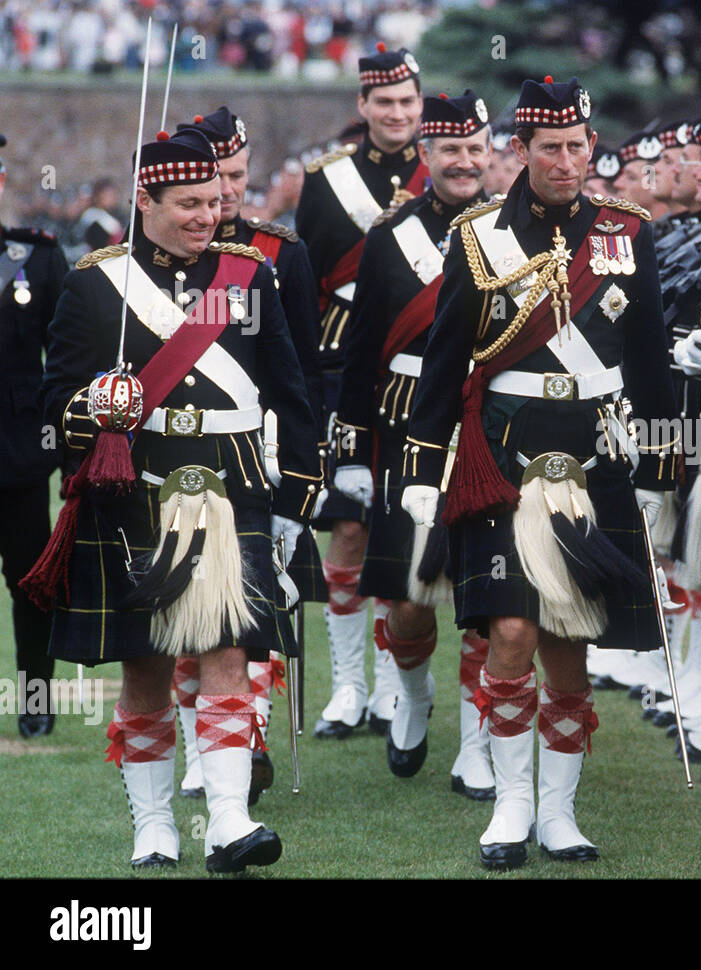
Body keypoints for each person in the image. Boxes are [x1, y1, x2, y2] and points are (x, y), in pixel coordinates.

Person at [400, 75, 678, 870]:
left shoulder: (628, 230)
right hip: (503, 455)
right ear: (517, 150)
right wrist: (424, 467)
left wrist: (660, 465)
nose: (566, 161)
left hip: (596, 452)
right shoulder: (478, 234)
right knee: (512, 631)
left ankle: (558, 812)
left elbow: (652, 361)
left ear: (593, 145)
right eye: (549, 147)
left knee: (568, 643)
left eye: (577, 146)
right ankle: (512, 803)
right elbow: (446, 360)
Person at [27, 127, 321, 872]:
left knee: (227, 649)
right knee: (147, 664)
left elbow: (292, 394)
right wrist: (100, 402)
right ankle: (154, 824)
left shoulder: (250, 278)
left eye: (214, 201)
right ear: (144, 200)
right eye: (188, 204)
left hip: (232, 487)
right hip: (135, 494)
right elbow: (54, 406)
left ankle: (227, 821)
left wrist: (292, 507)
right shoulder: (95, 284)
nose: (207, 214)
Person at [331, 89, 496, 794]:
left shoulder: (513, 231)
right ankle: (415, 691)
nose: (463, 162)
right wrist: (348, 451)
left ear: (491, 155)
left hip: (489, 425)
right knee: (408, 599)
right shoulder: (388, 237)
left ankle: (481, 743)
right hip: (406, 430)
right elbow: (361, 347)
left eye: (475, 149)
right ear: (426, 156)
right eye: (450, 150)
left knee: (492, 600)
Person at [165, 105, 326, 804]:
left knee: (252, 609)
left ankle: (245, 730)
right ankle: (204, 743)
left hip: (256, 454)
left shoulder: (280, 255)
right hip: (176, 456)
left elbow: (302, 383)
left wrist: (298, 487)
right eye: (212, 179)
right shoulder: (146, 261)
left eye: (234, 176)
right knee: (179, 613)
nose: (224, 194)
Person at [296, 43, 428, 739]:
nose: (398, 113)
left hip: (416, 382)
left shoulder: (450, 177)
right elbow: (307, 285)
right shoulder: (326, 183)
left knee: (401, 529)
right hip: (343, 378)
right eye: (385, 102)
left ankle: (392, 686)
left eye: (408, 102)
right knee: (346, 526)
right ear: (364, 107)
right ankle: (349, 684)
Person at [0, 144, 68, 737]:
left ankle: (36, 696)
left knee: (31, 582)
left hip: (17, 456)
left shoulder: (37, 258)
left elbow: (67, 356)